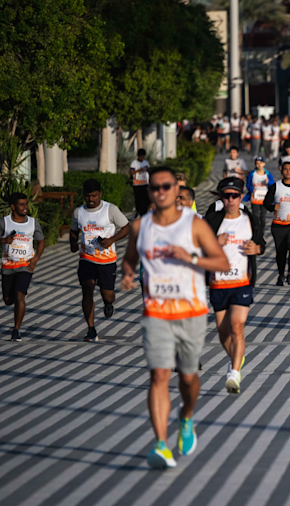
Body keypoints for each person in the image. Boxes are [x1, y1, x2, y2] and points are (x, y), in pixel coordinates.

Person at [120, 166, 229, 469]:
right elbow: (129, 260)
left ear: (175, 189)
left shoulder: (193, 224)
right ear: (149, 191)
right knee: (159, 375)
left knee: (189, 378)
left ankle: (187, 416)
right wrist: (128, 275)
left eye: (166, 186)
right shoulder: (141, 227)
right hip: (156, 312)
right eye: (154, 187)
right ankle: (160, 445)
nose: (161, 192)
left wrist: (191, 257)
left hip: (191, 312)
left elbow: (220, 260)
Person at [204, 177, 266, 394]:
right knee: (223, 333)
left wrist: (257, 249)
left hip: (242, 282)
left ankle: (234, 373)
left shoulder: (251, 219)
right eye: (226, 196)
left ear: (242, 197)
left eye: (235, 196)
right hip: (218, 283)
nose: (230, 200)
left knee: (237, 327)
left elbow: (262, 244)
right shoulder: (212, 220)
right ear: (221, 197)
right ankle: (237, 357)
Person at [70, 179, 130, 342]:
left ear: (100, 195)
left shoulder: (110, 209)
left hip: (106, 260)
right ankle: (91, 329)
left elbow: (126, 227)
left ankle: (108, 303)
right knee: (87, 290)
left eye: (94, 196)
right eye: (88, 196)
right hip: (87, 258)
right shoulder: (79, 212)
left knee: (108, 294)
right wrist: (73, 243)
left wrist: (112, 240)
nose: (91, 200)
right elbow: (74, 230)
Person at [1, 193, 45, 342]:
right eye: (21, 205)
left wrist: (35, 259)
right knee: (8, 300)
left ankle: (16, 330)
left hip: (26, 265)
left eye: (26, 204)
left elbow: (41, 241)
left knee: (20, 296)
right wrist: (3, 240)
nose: (25, 207)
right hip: (8, 266)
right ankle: (18, 297)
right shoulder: (4, 222)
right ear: (13, 207)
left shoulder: (32, 223)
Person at [245, 156, 274, 231]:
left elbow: (273, 184)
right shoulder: (252, 174)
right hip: (255, 198)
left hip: (265, 198)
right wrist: (252, 189)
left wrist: (269, 182)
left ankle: (261, 232)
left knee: (263, 217)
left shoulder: (267, 174)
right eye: (257, 163)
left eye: (261, 163)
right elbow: (248, 184)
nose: (259, 165)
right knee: (256, 216)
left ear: (264, 164)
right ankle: (255, 231)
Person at [130, 148, 151, 217]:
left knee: (145, 199)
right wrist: (138, 170)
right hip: (137, 184)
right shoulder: (134, 163)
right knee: (138, 199)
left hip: (144, 183)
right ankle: (138, 211)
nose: (142, 158)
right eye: (141, 156)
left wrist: (147, 169)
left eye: (143, 156)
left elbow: (149, 170)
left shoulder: (146, 162)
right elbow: (131, 172)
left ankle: (144, 212)